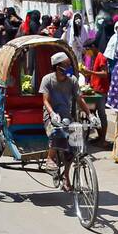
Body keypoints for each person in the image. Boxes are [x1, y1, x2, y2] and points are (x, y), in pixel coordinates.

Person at [41, 50, 84, 183]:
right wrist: (52, 113)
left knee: (74, 146)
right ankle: (50, 157)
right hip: (51, 117)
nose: (68, 67)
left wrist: (90, 115)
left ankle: (66, 176)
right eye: (66, 64)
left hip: (67, 117)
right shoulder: (47, 79)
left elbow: (79, 99)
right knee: (59, 130)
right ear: (57, 67)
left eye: (69, 64)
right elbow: (45, 100)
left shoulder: (72, 80)